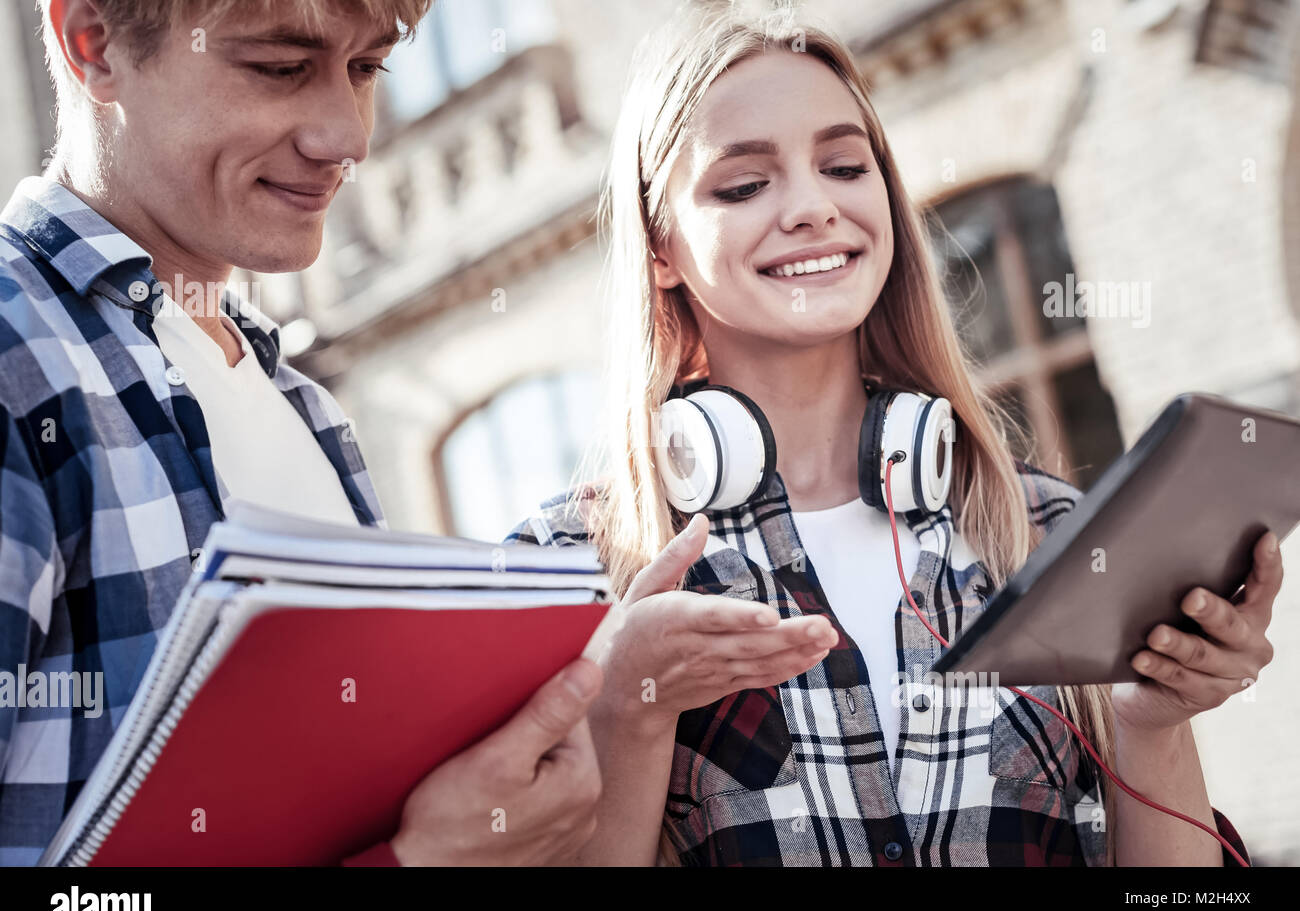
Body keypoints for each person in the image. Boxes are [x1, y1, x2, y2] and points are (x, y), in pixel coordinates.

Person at [505, 5, 1282, 866]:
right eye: (744, 185)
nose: (812, 209)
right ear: (659, 248)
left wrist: (1152, 723)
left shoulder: (1053, 533)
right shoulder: (557, 574)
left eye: (843, 165)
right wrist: (628, 710)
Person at [0, 0, 602, 866]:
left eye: (365, 70)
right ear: (93, 44)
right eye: (280, 69)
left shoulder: (307, 408)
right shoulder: (18, 359)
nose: (346, 139)